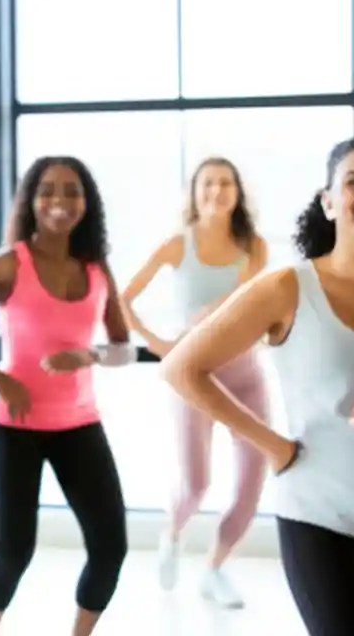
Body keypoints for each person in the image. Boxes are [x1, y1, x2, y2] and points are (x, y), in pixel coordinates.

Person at [161, 133, 354, 636]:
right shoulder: (287, 289)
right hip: (321, 521)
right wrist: (271, 447)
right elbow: (181, 367)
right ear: (328, 201)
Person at [0, 156, 133, 636]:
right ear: (30, 201)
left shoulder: (96, 270)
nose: (60, 201)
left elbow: (124, 350)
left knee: (111, 548)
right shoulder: (8, 264)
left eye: (72, 191)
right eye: (48, 190)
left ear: (87, 203)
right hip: (15, 427)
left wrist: (87, 356)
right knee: (14, 554)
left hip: (79, 425)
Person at [118, 156, 269, 608]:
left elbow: (253, 307)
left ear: (238, 192)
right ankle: (172, 534)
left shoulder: (254, 245)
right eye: (207, 183)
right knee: (196, 484)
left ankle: (215, 569)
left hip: (246, 376)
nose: (216, 191)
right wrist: (159, 343)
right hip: (194, 378)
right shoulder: (178, 244)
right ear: (194, 192)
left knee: (250, 485)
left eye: (225, 183)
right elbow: (124, 297)